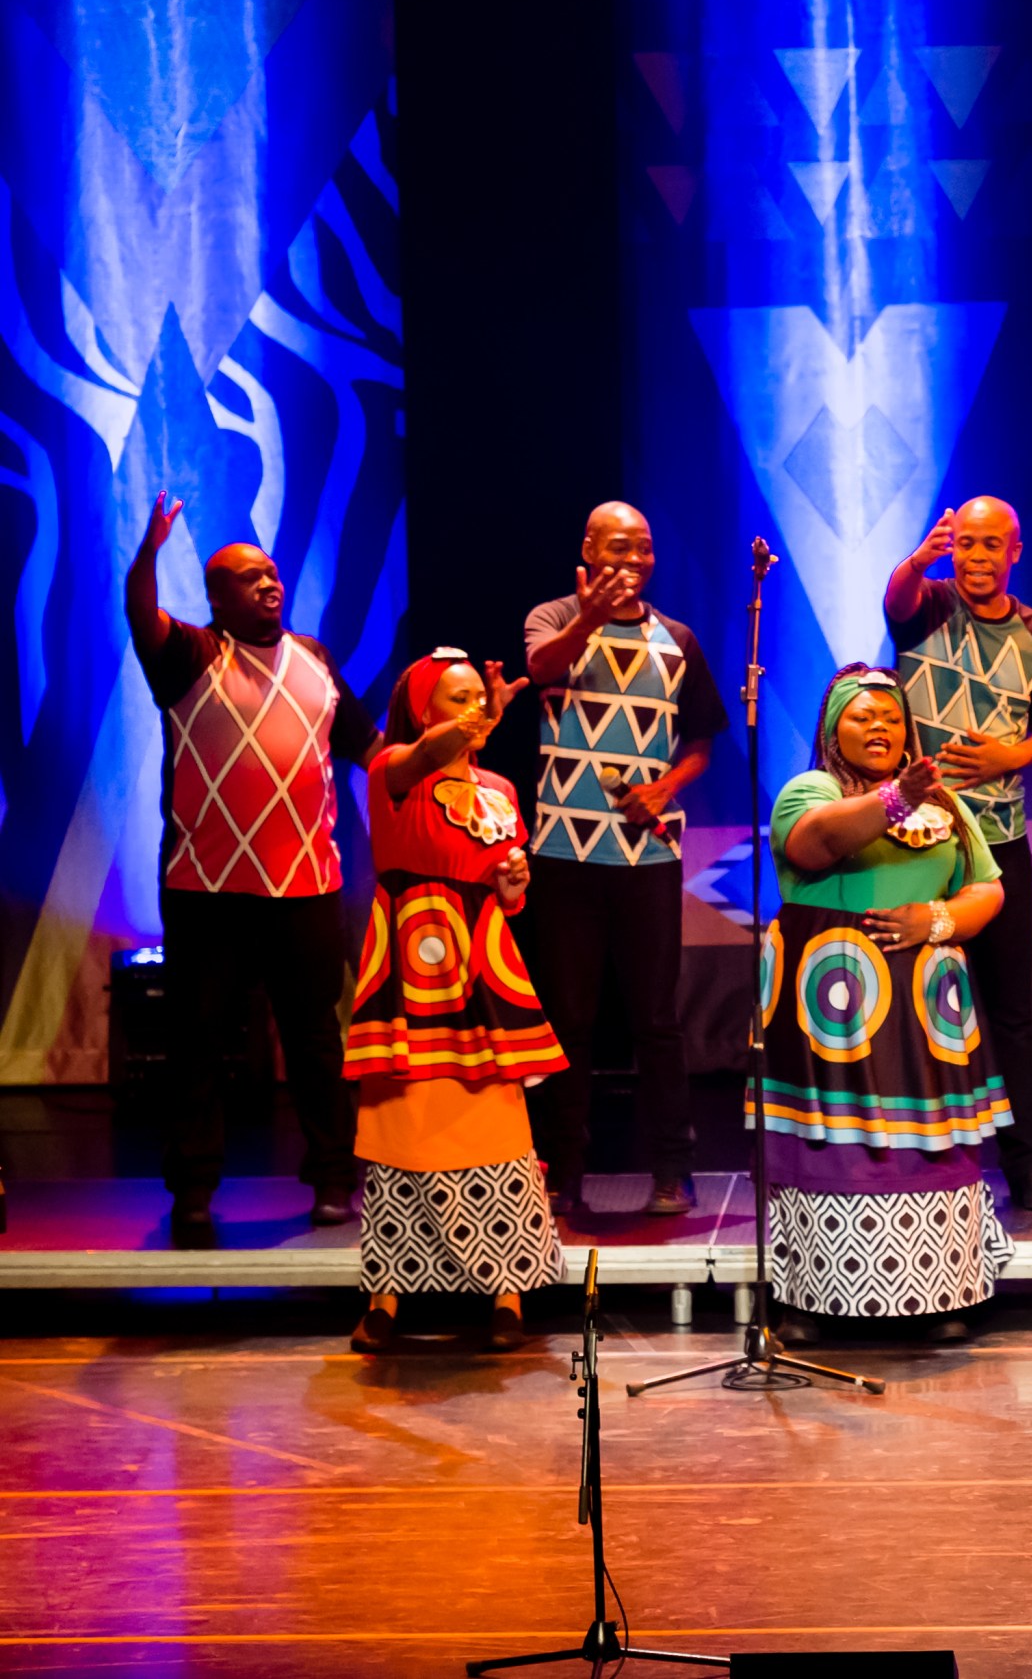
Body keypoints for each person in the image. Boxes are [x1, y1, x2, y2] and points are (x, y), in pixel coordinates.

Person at [124, 494, 380, 1246]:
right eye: (247, 576)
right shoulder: (190, 657)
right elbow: (141, 612)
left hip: (305, 888)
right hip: (207, 890)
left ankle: (334, 1177)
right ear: (215, 598)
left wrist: (452, 739)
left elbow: (373, 751)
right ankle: (195, 1192)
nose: (268, 582)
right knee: (198, 1043)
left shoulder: (316, 661)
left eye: (270, 572)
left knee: (315, 1042)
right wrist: (146, 554)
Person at [758, 666, 1014, 1345]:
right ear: (832, 727)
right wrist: (895, 798)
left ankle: (936, 1288)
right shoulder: (810, 789)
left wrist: (934, 918)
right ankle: (812, 1297)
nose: (881, 727)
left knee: (923, 1140)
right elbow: (814, 842)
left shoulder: (943, 805)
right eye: (864, 716)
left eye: (893, 718)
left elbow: (987, 889)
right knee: (835, 1137)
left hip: (924, 1003)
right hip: (834, 1000)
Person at [343, 650, 567, 1353]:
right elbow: (428, 754)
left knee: (495, 1120)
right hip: (414, 954)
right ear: (422, 711)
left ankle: (506, 1292)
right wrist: (484, 716)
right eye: (457, 697)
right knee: (400, 1119)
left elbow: (509, 891)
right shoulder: (392, 770)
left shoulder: (498, 788)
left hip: (481, 959)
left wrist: (513, 883)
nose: (474, 707)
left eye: (479, 695)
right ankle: (386, 1295)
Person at [522, 503, 728, 1217]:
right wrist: (589, 615)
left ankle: (673, 1168)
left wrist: (666, 786)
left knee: (655, 1018)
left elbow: (702, 737)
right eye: (619, 546)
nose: (634, 558)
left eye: (643, 546)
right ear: (586, 548)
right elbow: (541, 665)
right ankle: (561, 1171)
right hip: (562, 852)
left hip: (648, 852)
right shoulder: (551, 617)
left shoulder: (677, 639)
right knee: (568, 1018)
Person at [886, 496, 1032, 1212]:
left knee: (1011, 1012)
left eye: (991, 545)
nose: (977, 557)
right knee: (916, 1003)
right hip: (920, 841)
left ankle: (1029, 1167)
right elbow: (896, 598)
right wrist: (918, 558)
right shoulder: (928, 603)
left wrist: (1010, 755)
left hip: (1000, 843)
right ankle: (922, 1158)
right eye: (966, 544)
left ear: (1014, 552)